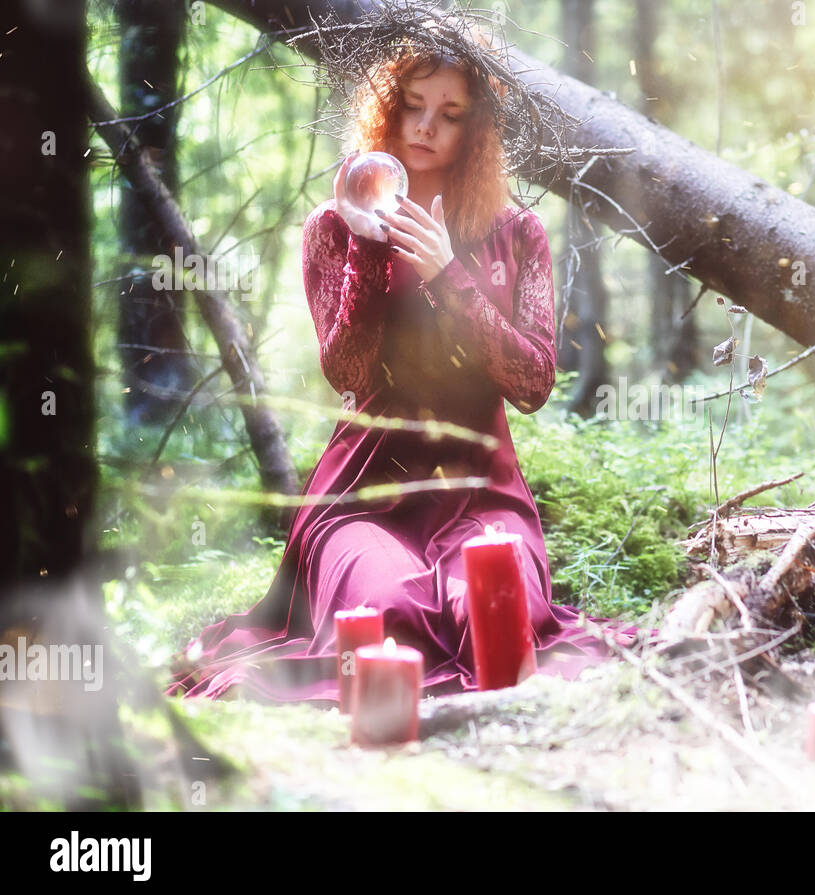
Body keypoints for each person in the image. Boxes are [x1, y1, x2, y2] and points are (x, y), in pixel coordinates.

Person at [168, 30, 637, 705]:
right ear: (385, 112)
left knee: (493, 607)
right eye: (413, 106)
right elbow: (349, 370)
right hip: (363, 496)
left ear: (476, 130)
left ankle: (500, 722)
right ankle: (390, 724)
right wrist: (368, 247)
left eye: (450, 115)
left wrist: (450, 276)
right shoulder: (332, 228)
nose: (425, 128)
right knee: (388, 612)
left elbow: (533, 384)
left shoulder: (516, 233)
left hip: (482, 489)